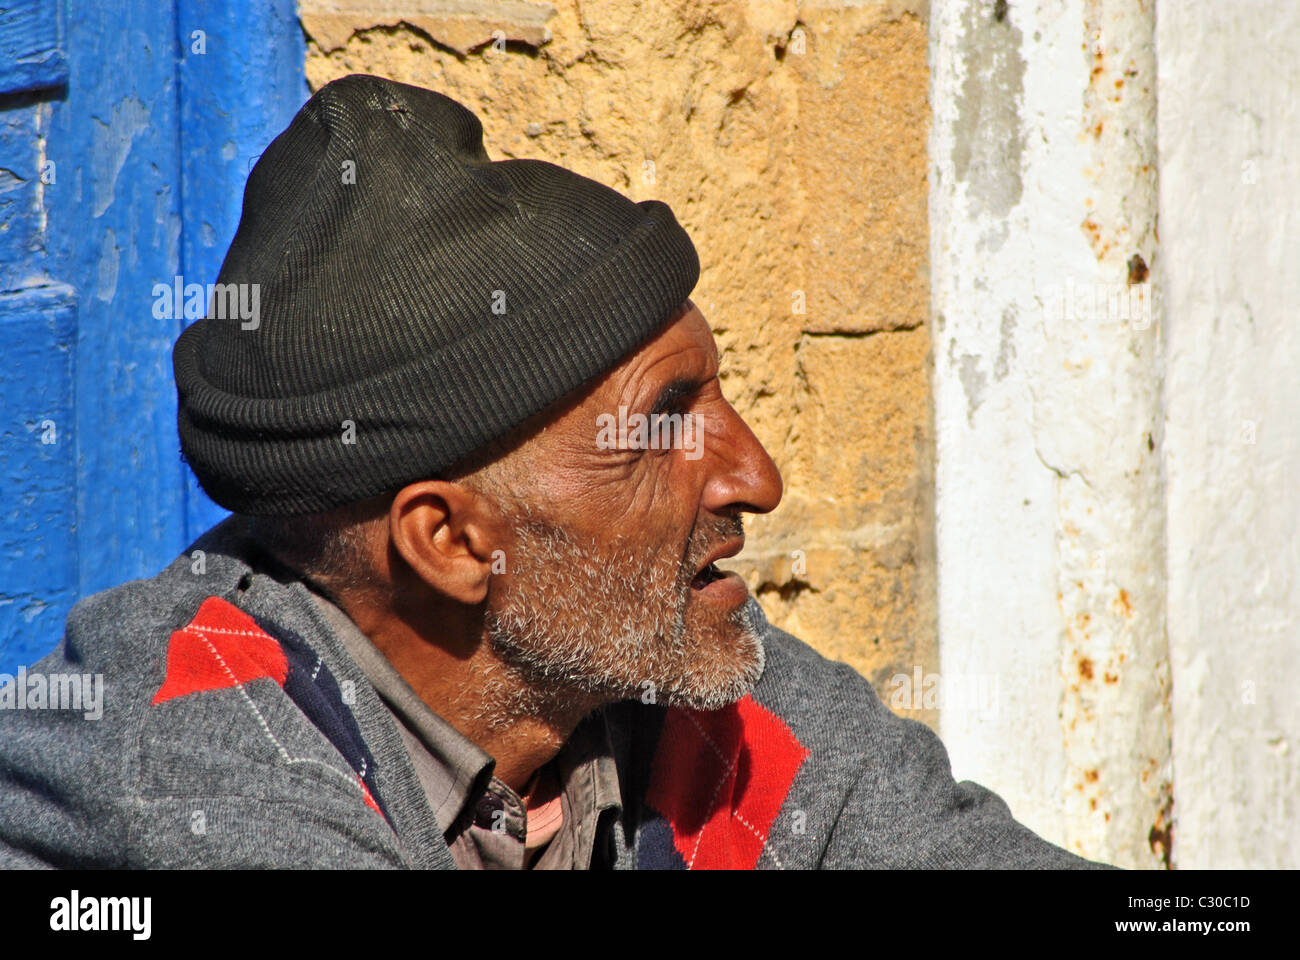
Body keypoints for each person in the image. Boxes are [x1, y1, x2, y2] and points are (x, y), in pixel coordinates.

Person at [0, 75, 1108, 869]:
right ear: (453, 541)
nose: (754, 479)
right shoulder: (194, 773)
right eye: (667, 422)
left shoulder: (665, 665)